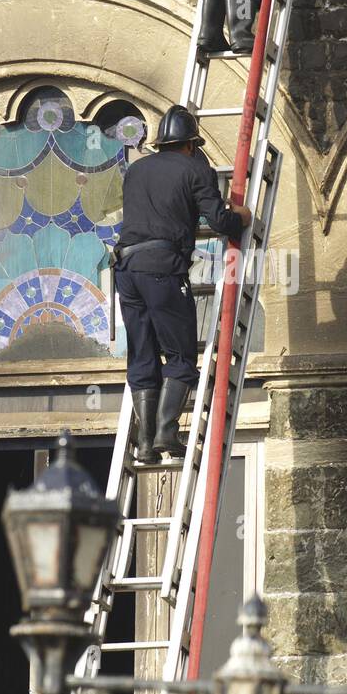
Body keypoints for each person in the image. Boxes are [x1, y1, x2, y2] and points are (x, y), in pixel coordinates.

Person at [115, 106, 252, 463]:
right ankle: (165, 433)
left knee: (142, 355)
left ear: (161, 143)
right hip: (162, 269)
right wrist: (241, 216)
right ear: (191, 144)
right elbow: (220, 222)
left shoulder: (136, 170)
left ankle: (144, 446)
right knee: (180, 355)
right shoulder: (195, 169)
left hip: (126, 270)